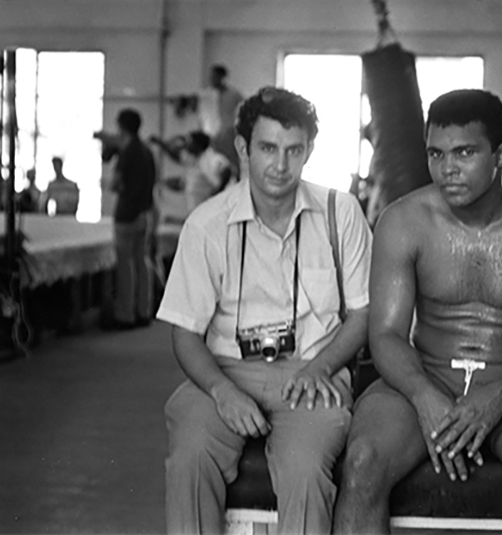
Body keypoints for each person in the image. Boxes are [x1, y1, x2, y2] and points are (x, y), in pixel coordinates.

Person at [334, 89, 502, 534]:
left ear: (501, 155)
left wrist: (500, 395)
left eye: (465, 153)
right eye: (436, 153)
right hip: (428, 374)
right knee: (361, 463)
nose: (447, 168)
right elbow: (387, 335)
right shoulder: (403, 221)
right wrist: (422, 394)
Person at [157, 86, 372, 535]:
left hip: (314, 371)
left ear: (309, 151)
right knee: (190, 458)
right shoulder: (207, 225)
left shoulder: (341, 213)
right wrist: (220, 390)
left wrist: (322, 368)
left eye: (294, 150)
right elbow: (185, 333)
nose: (280, 164)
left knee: (305, 469)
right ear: (243, 148)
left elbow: (363, 314)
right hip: (227, 369)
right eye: (268, 148)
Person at [108, 108, 156, 330]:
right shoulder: (146, 151)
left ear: (121, 126)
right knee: (142, 262)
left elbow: (116, 183)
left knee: (125, 266)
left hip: (127, 213)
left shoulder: (127, 152)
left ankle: (125, 315)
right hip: (144, 212)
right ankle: (144, 311)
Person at [199, 64, 244, 172]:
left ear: (222, 77)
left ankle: (236, 184)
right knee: (213, 162)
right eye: (211, 77)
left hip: (228, 133)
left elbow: (244, 109)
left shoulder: (233, 94)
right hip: (211, 134)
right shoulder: (206, 95)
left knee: (231, 162)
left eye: (215, 76)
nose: (212, 79)